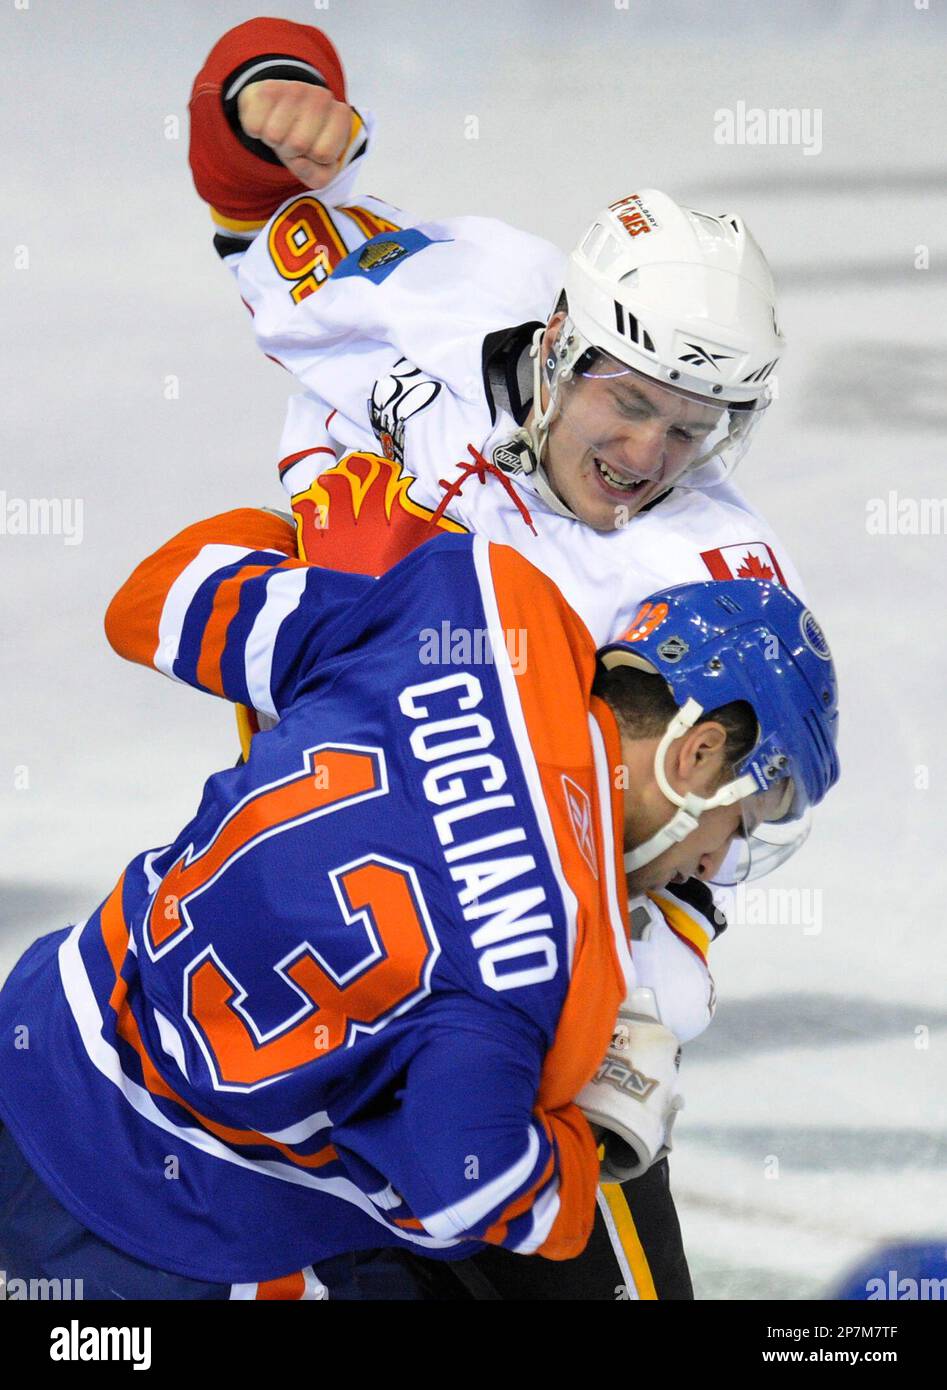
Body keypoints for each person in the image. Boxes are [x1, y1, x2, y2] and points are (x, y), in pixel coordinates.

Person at [184, 18, 811, 1297]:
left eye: (689, 429)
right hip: (298, 956)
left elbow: (693, 850)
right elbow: (256, 194)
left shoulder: (706, 588)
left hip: (507, 1021)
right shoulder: (443, 297)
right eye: (627, 400)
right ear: (564, 340)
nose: (645, 455)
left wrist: (632, 1023)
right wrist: (275, 83)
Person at [0, 511, 838, 1299]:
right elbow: (469, 1190)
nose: (715, 859)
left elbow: (159, 599)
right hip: (161, 1232)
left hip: (40, 1036)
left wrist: (322, 560)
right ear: (695, 753)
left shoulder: (468, 614)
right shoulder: (543, 954)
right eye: (742, 822)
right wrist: (588, 1147)